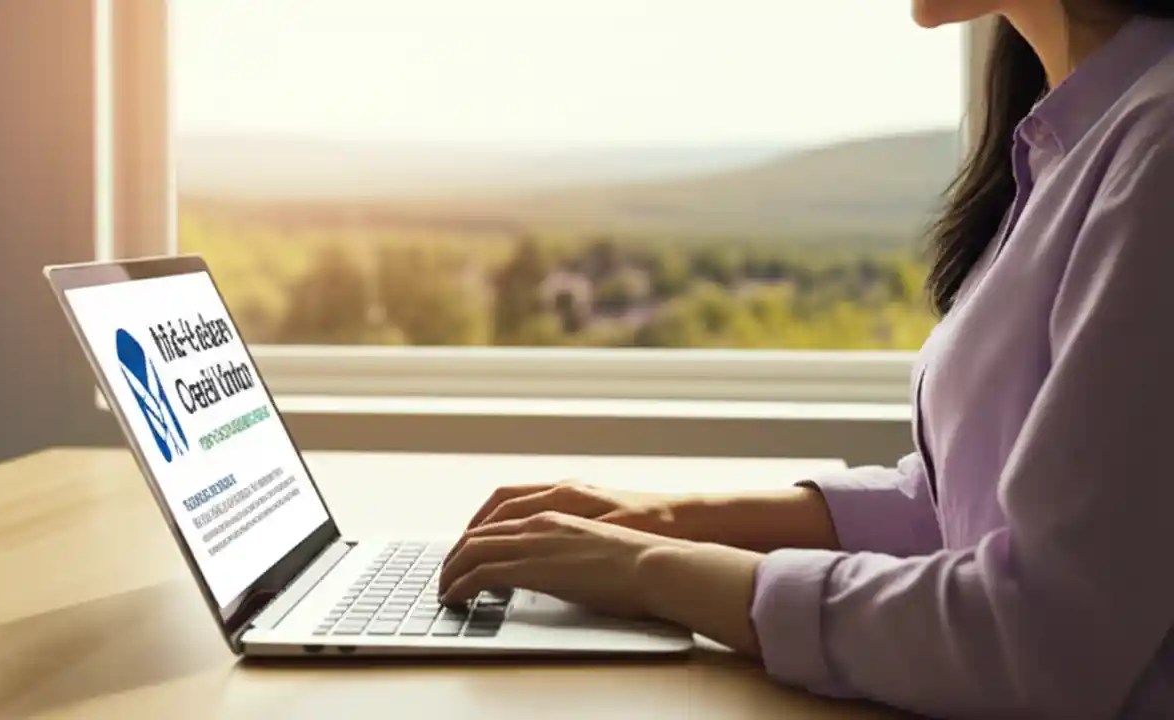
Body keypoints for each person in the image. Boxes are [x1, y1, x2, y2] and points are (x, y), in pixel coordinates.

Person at [437, 1, 1174, 717]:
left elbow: (1042, 636)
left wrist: (647, 571)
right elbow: (969, 502)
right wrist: (662, 518)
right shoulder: (1080, 132)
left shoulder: (1158, 149)